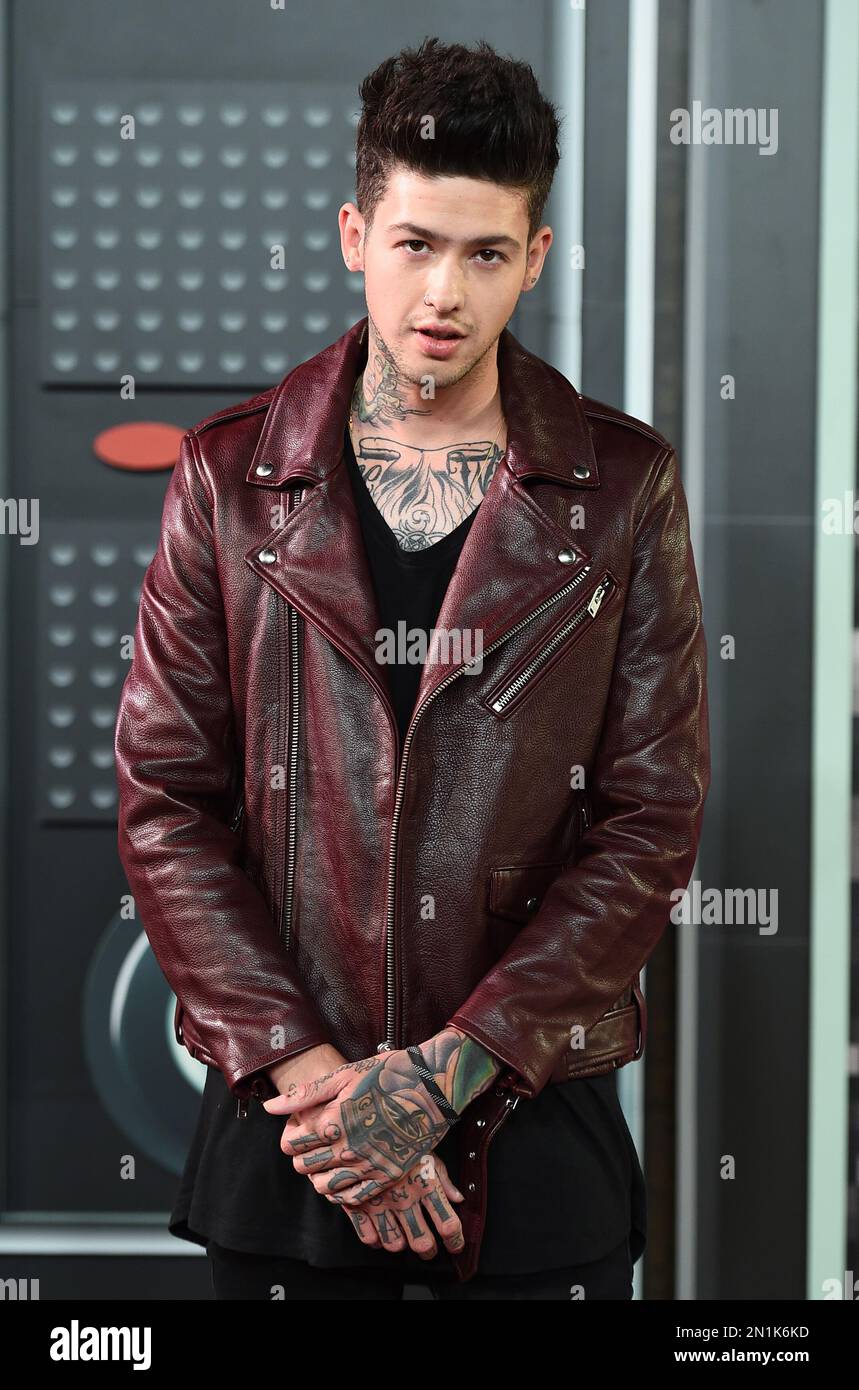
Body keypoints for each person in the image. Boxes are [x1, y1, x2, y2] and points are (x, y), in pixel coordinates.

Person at [114, 37, 710, 1301]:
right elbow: (166, 802)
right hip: (292, 1141)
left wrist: (446, 1075)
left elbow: (649, 822)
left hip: (532, 1134)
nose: (444, 290)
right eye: (415, 243)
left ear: (534, 260)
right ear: (352, 234)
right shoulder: (228, 479)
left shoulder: (622, 488)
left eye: (485, 253)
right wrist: (324, 1090)